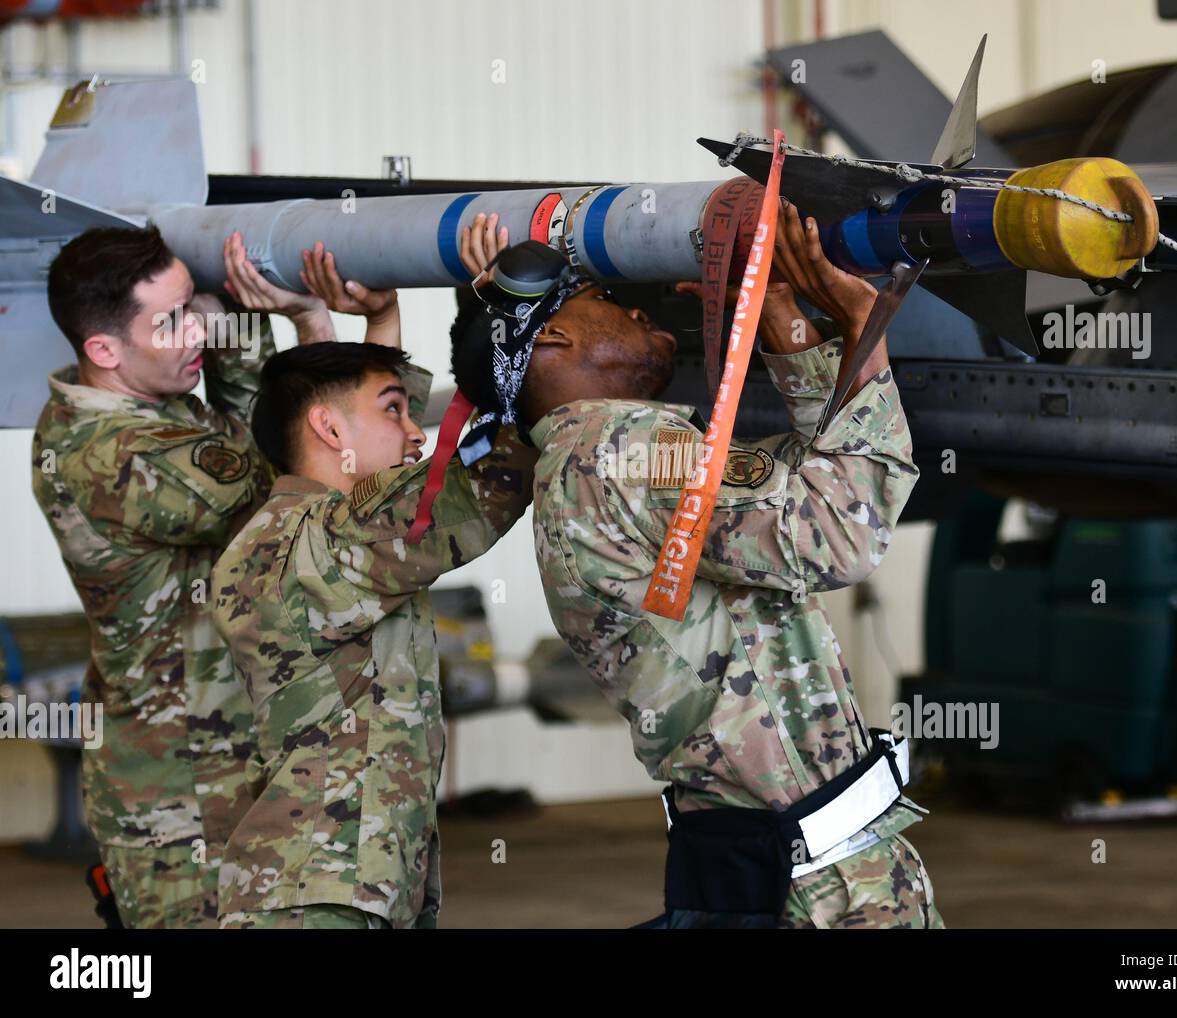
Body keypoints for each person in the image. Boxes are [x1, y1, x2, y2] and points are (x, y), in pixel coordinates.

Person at [449, 200, 942, 928]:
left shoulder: (581, 465)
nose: (643, 315)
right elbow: (843, 527)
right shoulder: (628, 449)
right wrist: (865, 329)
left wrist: (784, 321)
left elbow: (801, 483)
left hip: (774, 872)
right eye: (606, 303)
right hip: (822, 893)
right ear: (551, 337)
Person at [30, 224, 392, 928]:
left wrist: (235, 322)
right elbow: (296, 475)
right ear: (103, 350)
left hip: (232, 754)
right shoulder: (109, 453)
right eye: (169, 321)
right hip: (178, 795)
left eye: (191, 304)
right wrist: (300, 327)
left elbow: (249, 425)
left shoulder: (152, 397)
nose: (194, 331)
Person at [212, 214, 534, 929]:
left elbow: (366, 452)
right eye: (398, 409)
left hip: (323, 880)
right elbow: (486, 483)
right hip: (325, 893)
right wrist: (503, 316)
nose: (417, 427)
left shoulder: (284, 532)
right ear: (329, 432)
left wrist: (377, 317)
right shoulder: (331, 540)